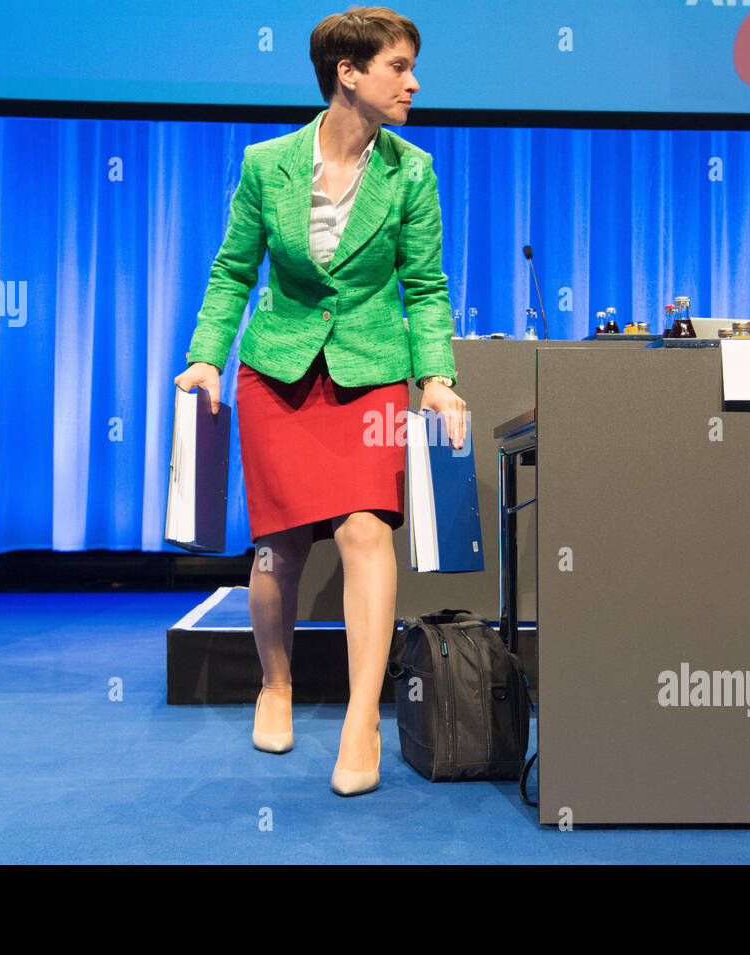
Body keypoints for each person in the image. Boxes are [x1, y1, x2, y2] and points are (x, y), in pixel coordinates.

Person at [173, 6, 466, 797]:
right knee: (281, 545)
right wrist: (205, 357)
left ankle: (363, 716)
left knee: (367, 528)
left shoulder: (413, 170)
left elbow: (428, 286)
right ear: (348, 73)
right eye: (398, 66)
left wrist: (433, 374)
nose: (414, 81)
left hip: (370, 370)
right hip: (275, 370)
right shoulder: (267, 163)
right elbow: (234, 269)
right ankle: (277, 681)